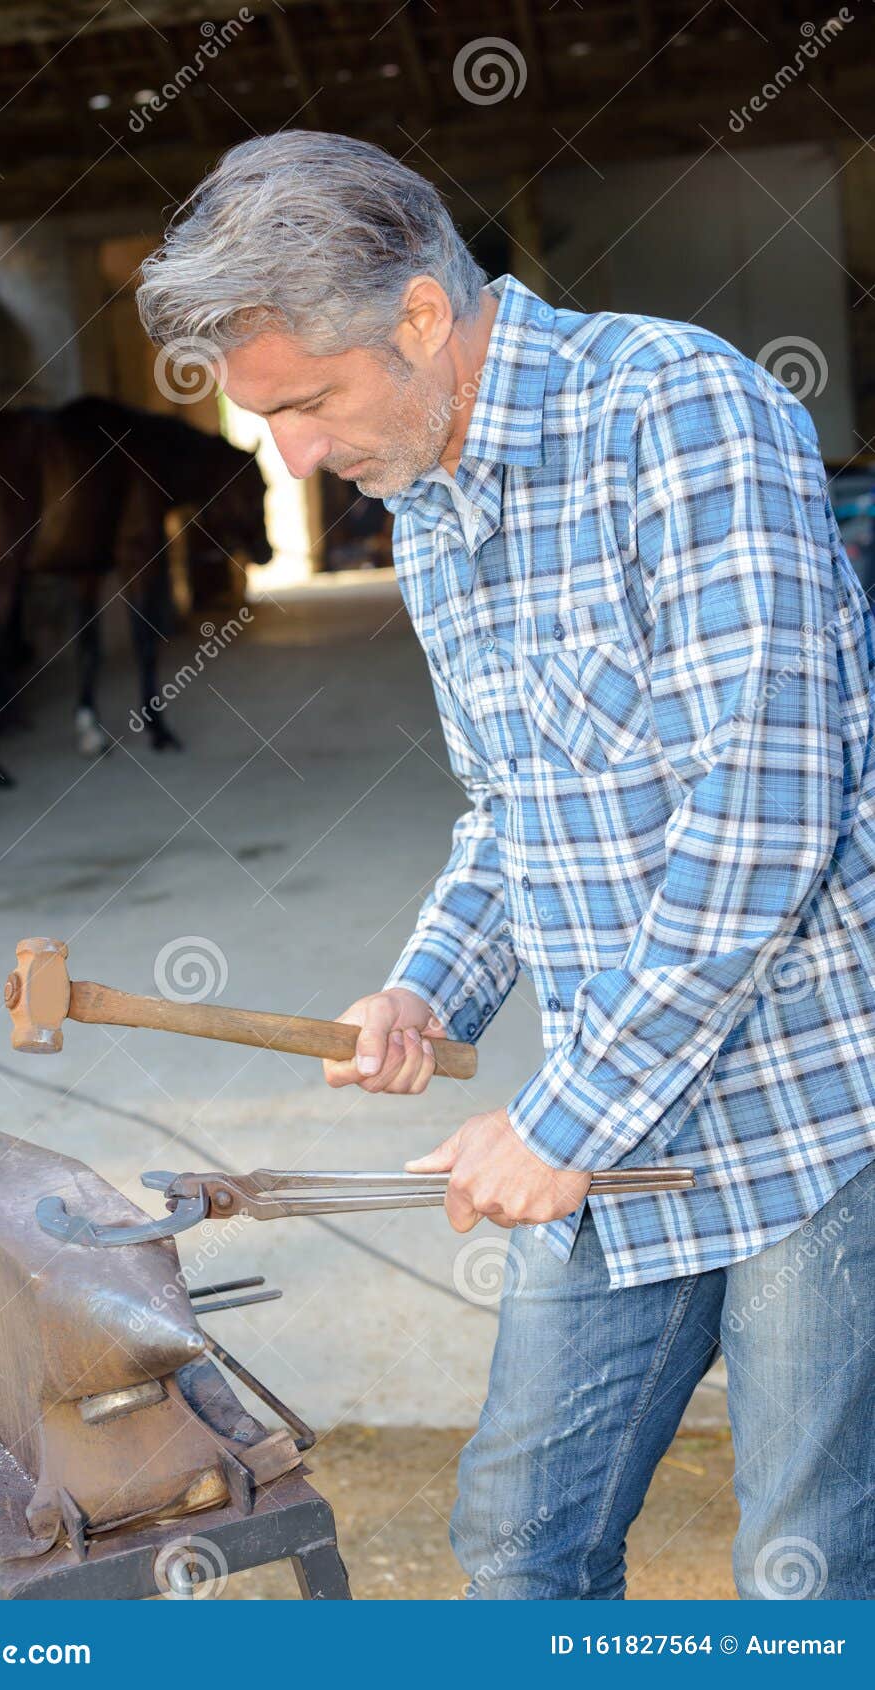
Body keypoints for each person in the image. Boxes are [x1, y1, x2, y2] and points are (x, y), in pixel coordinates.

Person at [138, 130, 875, 1600]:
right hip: (603, 1133)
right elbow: (513, 803)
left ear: (422, 314)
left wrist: (565, 1122)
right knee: (519, 1544)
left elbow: (767, 815)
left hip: (815, 1123)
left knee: (810, 1571)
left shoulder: (680, 415)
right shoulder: (430, 505)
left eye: (310, 404)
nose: (292, 456)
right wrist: (431, 986)